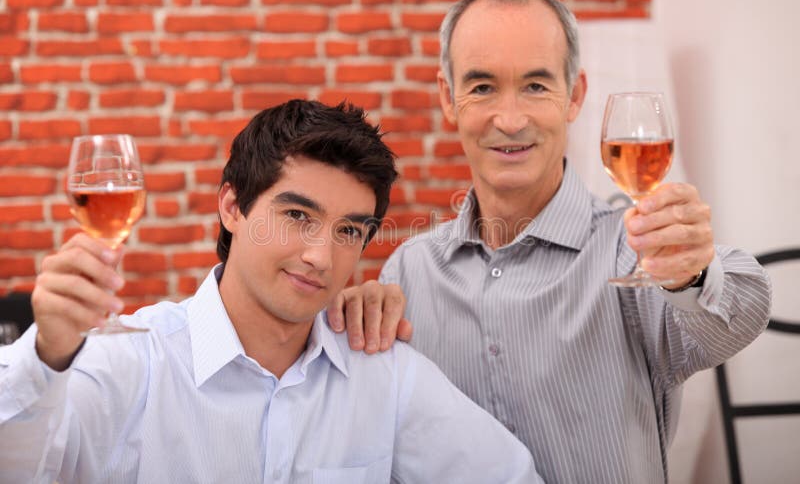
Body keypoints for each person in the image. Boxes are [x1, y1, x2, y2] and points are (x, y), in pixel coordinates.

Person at [327, 0, 772, 483]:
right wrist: (352, 326)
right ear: (449, 99)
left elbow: (737, 315)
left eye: (536, 86)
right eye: (482, 87)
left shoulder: (633, 254)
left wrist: (693, 273)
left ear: (574, 96)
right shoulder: (408, 272)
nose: (510, 119)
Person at [0, 100, 543, 483]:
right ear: (232, 207)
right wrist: (47, 354)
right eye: (298, 216)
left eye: (348, 231)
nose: (321, 256)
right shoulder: (131, 363)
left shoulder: (384, 374)